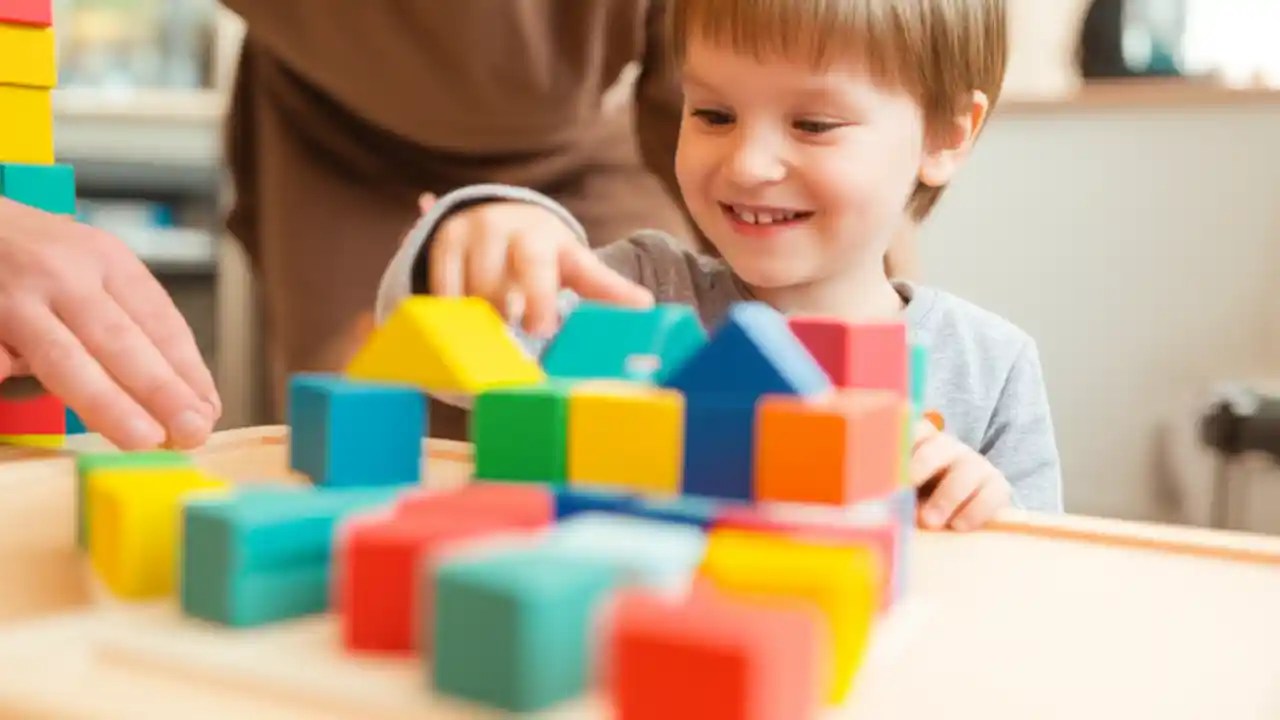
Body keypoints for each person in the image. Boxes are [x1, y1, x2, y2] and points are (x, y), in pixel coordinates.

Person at [375, 0, 1064, 530]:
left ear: (946, 133)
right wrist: (472, 239)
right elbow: (438, 349)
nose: (747, 165)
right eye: (713, 114)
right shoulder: (638, 293)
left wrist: (988, 514)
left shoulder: (991, 367)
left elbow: (1048, 592)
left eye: (813, 125)